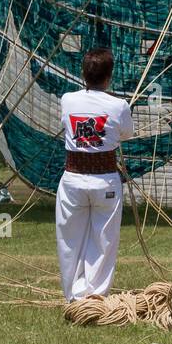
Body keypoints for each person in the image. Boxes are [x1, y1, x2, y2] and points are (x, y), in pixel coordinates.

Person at [57, 47, 133, 301]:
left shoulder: (68, 99)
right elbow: (126, 134)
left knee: (70, 239)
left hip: (73, 178)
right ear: (109, 77)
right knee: (104, 240)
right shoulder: (119, 105)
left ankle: (74, 295)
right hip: (105, 179)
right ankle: (94, 296)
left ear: (83, 74)